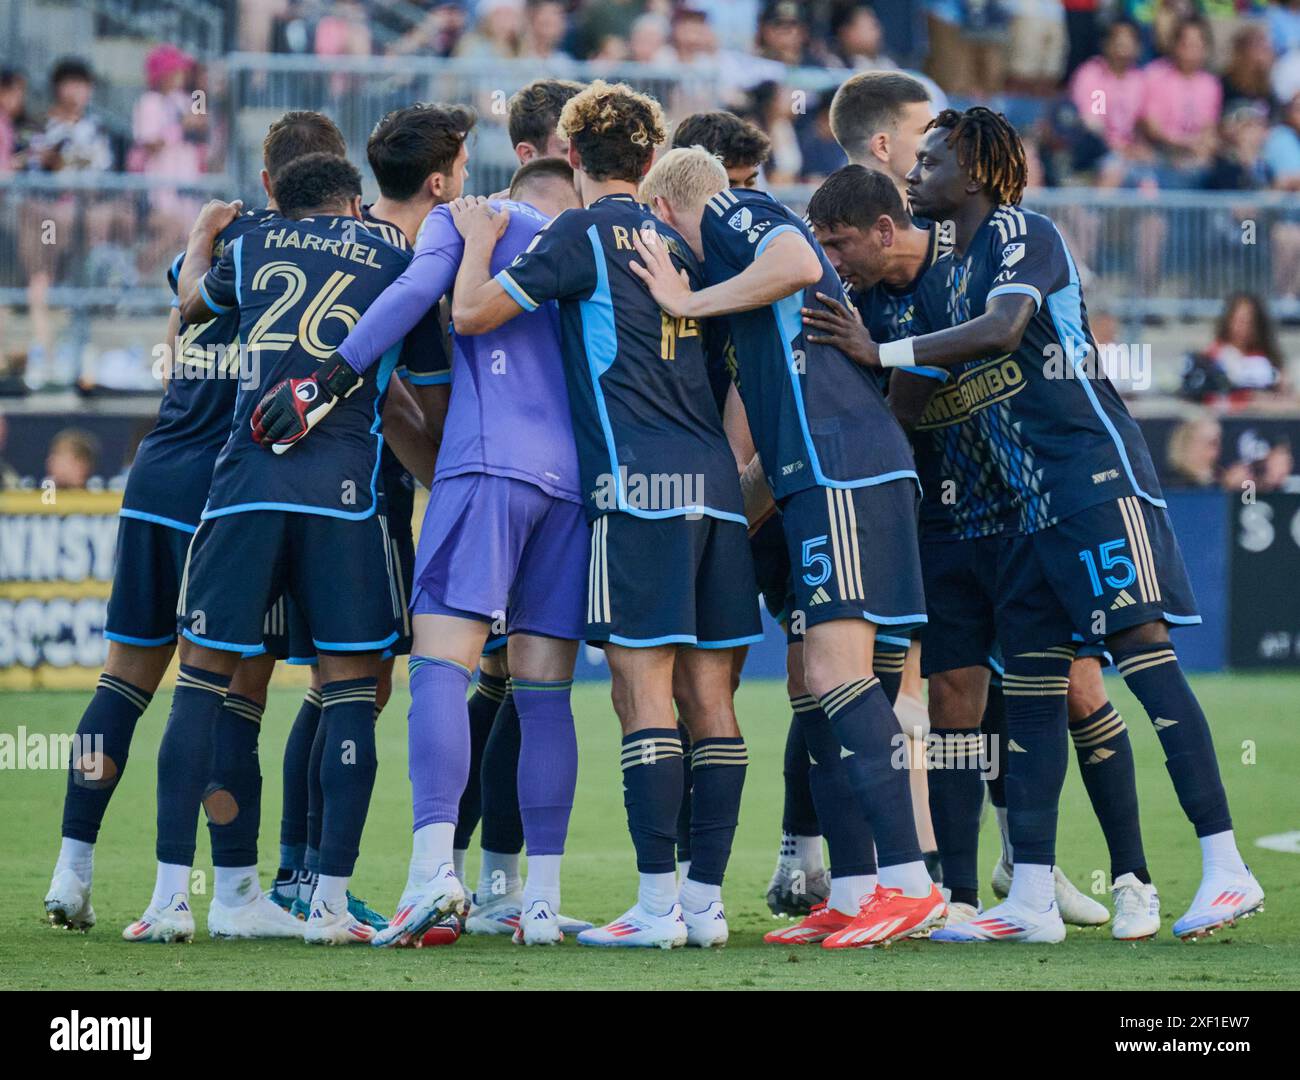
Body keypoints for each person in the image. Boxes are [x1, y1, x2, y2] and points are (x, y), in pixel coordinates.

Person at [814, 105, 1263, 943]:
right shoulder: (942, 273)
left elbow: (1004, 329)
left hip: (1091, 483)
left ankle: (1223, 865)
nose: (916, 175)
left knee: (1145, 661)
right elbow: (915, 401)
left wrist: (880, 355)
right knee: (1028, 696)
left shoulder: (1026, 234)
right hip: (1016, 516)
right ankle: (1026, 897)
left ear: (978, 172)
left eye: (934, 161)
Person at [450, 81, 762, 949]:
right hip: (717, 487)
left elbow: (471, 315)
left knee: (643, 690)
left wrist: (478, 240)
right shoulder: (682, 241)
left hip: (637, 488)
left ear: (575, 159)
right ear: (653, 160)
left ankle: (656, 907)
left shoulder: (579, 233)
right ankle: (705, 905)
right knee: (713, 697)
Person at [42, 112, 365, 943]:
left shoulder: (221, 245)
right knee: (230, 695)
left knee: (122, 682)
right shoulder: (320, 253)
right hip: (234, 489)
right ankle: (234, 889)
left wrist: (194, 236)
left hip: (157, 475)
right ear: (335, 188)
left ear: (267, 181)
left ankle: (72, 872)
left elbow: (179, 326)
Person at [629, 145, 949, 950]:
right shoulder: (738, 289)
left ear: (664, 210)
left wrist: (685, 294)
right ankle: (851, 889)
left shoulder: (733, 213)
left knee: (840, 677)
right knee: (818, 680)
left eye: (651, 229)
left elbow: (800, 258)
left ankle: (910, 884)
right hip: (819, 478)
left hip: (840, 468)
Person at [130, 152, 441, 947]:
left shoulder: (253, 246)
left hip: (243, 491)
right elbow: (423, 379)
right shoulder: (393, 253)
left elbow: (193, 303)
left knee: (199, 684)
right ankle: (329, 906)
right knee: (348, 693)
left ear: (281, 198)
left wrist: (201, 236)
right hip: (344, 496)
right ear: (352, 201)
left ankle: (170, 900)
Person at [296, 151, 593, 948]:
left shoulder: (468, 219)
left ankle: (433, 871)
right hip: (573, 483)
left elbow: (413, 295)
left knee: (441, 664)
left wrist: (330, 377)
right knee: (544, 693)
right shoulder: (585, 241)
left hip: (487, 461)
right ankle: (538, 902)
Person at [263, 103, 470, 936]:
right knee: (357, 684)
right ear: (438, 180)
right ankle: (312, 880)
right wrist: (453, 479)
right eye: (461, 170)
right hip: (360, 495)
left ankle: (292, 875)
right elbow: (404, 401)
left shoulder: (338, 238)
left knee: (328, 685)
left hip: (279, 484)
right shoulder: (406, 260)